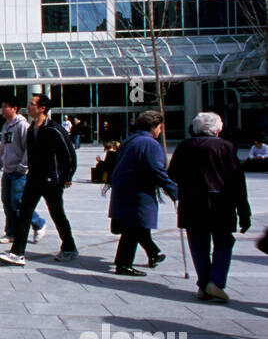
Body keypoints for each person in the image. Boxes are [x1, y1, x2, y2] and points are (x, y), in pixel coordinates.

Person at [168, 112, 251, 303]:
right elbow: (237, 181)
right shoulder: (225, 147)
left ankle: (204, 282)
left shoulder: (185, 146)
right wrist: (244, 211)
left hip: (191, 202)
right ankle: (216, 282)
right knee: (223, 241)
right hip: (220, 203)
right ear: (217, 128)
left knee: (198, 243)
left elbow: (172, 175)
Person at [0, 93, 77, 268]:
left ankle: (69, 247)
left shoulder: (54, 129)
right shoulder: (31, 128)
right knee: (24, 215)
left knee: (57, 214)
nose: (29, 107)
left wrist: (67, 176)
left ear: (42, 108)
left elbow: (69, 154)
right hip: (33, 179)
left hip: (51, 181)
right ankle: (17, 253)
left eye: (32, 104)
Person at [107, 110, 178, 276]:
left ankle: (152, 254)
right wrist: (174, 190)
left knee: (134, 227)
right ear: (154, 127)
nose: (160, 131)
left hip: (125, 190)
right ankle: (124, 264)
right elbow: (157, 170)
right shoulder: (150, 144)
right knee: (134, 227)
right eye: (160, 127)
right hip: (138, 192)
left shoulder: (130, 140)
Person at [0, 97, 46, 245]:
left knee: (18, 202)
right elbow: (3, 150)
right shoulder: (6, 126)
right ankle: (11, 233)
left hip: (18, 173)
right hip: (7, 172)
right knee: (7, 203)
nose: (2, 109)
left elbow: (28, 149)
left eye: (5, 106)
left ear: (14, 108)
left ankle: (38, 223)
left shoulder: (22, 125)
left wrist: (22, 167)